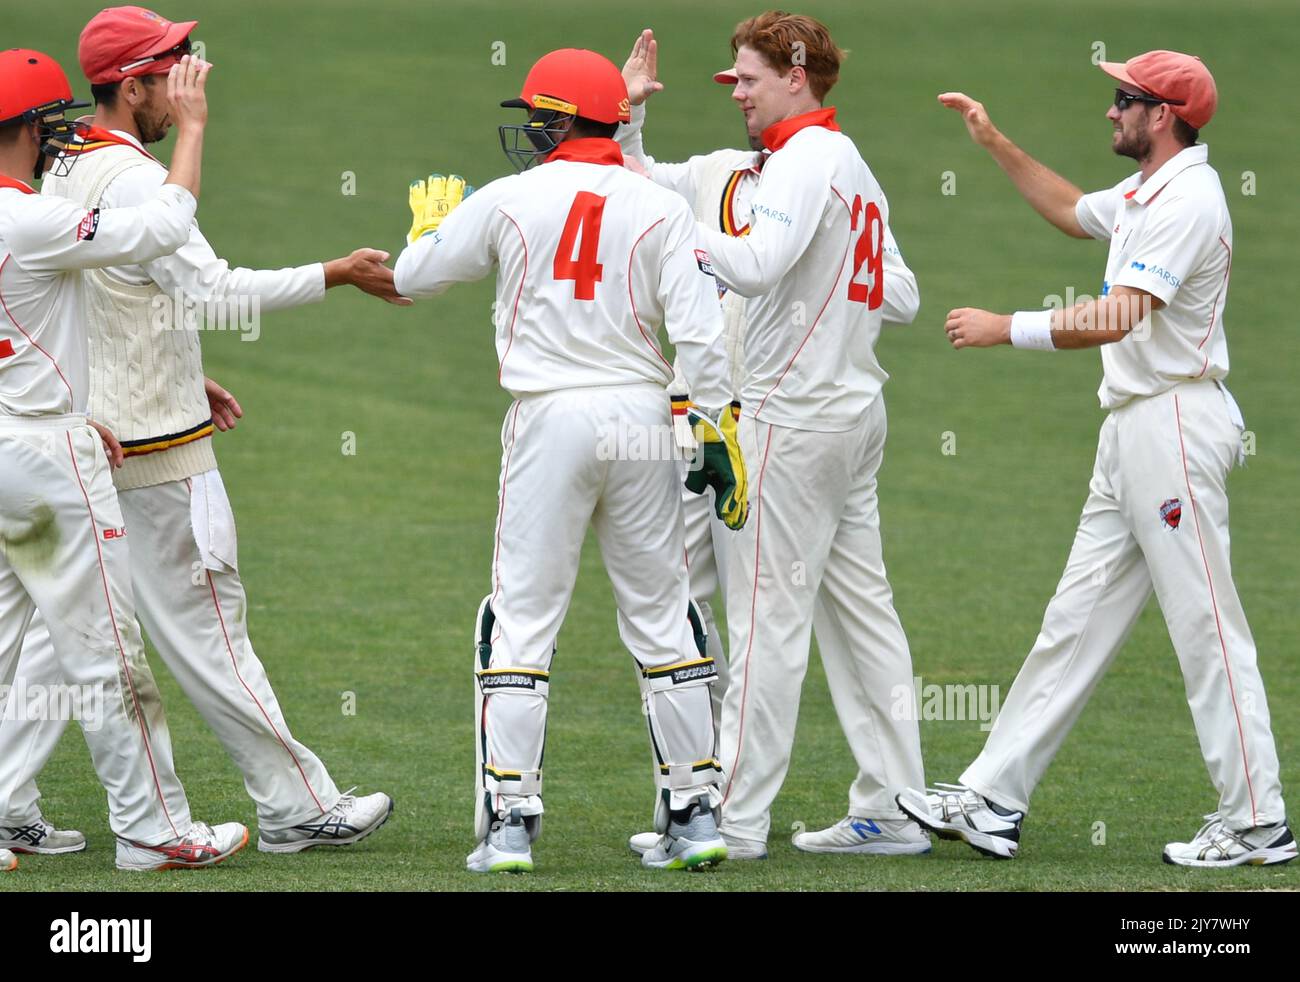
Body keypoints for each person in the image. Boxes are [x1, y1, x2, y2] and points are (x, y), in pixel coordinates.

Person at [0, 6, 399, 859]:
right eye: (173, 69)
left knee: (55, 633)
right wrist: (338, 272)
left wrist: (183, 364)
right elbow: (208, 286)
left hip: (90, 427)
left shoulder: (58, 168)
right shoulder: (139, 178)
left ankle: (5, 798)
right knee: (207, 627)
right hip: (147, 446)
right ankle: (294, 805)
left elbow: (99, 293)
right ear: (132, 85)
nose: (191, 79)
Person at [898, 51, 1295, 868]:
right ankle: (994, 798)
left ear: (1165, 114)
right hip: (1134, 430)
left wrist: (1007, 326)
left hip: (1174, 427)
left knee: (1206, 625)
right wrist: (994, 141)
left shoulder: (1189, 197)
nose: (1111, 113)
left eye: (1125, 100)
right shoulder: (1149, 191)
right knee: (1073, 620)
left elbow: (1121, 314)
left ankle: (1258, 820)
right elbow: (1074, 211)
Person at [394, 47, 748, 873]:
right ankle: (695, 814)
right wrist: (715, 426)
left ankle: (512, 822)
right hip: (640, 415)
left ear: (560, 121)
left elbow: (413, 278)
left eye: (536, 119)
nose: (528, 133)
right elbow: (699, 332)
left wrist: (426, 230)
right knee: (664, 614)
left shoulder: (512, 198)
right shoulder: (660, 205)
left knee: (521, 616)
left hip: (549, 418)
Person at [616, 25, 926, 858]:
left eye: (749, 80)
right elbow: (899, 293)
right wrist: (829, 296)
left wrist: (661, 236)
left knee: (764, 624)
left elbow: (754, 266)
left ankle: (736, 821)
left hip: (789, 420)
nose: (737, 92)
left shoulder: (801, 164)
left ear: (797, 77)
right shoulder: (846, 163)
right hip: (852, 415)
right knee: (864, 617)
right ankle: (896, 807)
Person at [0, 46, 247, 871]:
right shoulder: (30, 219)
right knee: (106, 651)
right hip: (48, 459)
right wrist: (196, 129)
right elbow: (166, 226)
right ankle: (152, 831)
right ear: (30, 129)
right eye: (47, 126)